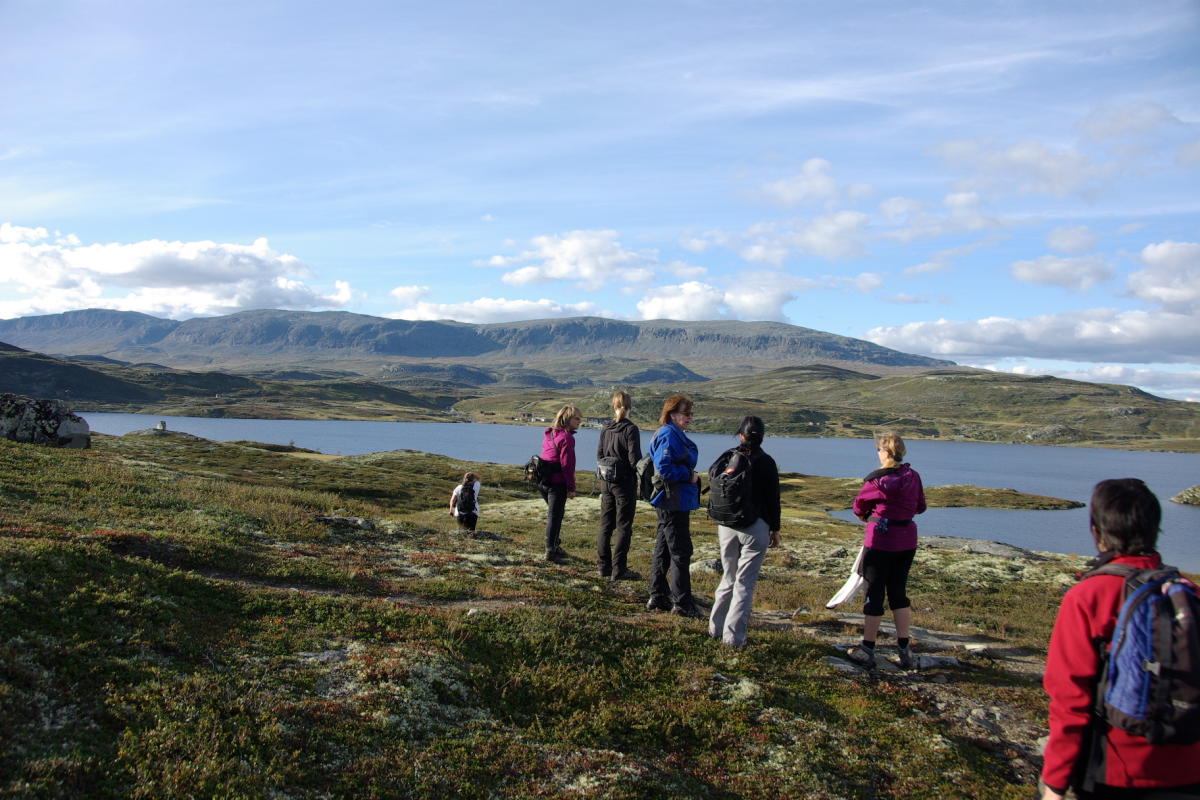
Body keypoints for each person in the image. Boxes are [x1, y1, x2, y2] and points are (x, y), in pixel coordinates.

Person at [1040, 478, 1200, 800]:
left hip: (1117, 770)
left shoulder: (1088, 596)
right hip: (1188, 767)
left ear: (1097, 531)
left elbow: (1070, 700)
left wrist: (1055, 783)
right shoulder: (1188, 593)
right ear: (1154, 527)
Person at [846, 432, 926, 669]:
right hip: (907, 541)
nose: (878, 454)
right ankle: (904, 646)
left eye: (879, 449)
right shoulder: (913, 476)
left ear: (887, 452)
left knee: (874, 593)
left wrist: (868, 516)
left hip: (880, 542)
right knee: (899, 592)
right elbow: (920, 506)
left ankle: (868, 647)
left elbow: (859, 506)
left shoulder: (878, 481)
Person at [708, 415, 782, 647]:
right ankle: (734, 639)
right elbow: (773, 500)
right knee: (744, 583)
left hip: (727, 526)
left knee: (728, 577)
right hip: (754, 528)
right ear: (762, 437)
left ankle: (715, 629)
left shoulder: (730, 457)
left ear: (740, 435)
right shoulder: (767, 462)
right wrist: (775, 529)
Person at [645, 393, 703, 618]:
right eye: (685, 413)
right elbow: (665, 469)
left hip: (674, 500)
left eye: (691, 413)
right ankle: (682, 604)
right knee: (680, 550)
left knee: (665, 548)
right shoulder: (669, 435)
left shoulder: (672, 434)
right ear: (672, 414)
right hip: (672, 500)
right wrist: (689, 475)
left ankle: (658, 595)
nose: (690, 417)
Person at [596, 390, 643, 581]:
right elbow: (634, 460)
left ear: (613, 406)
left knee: (606, 525)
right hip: (624, 484)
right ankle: (619, 569)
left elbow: (599, 455)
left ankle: (603, 566)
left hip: (606, 482)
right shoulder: (630, 429)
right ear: (629, 407)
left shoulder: (606, 428)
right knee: (624, 526)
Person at [540, 405, 580, 562]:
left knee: (555, 515)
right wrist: (571, 488)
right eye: (576, 418)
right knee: (555, 517)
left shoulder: (549, 434)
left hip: (543, 481)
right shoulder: (567, 438)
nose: (579, 422)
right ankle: (551, 551)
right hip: (557, 483)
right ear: (567, 419)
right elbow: (567, 466)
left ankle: (555, 545)